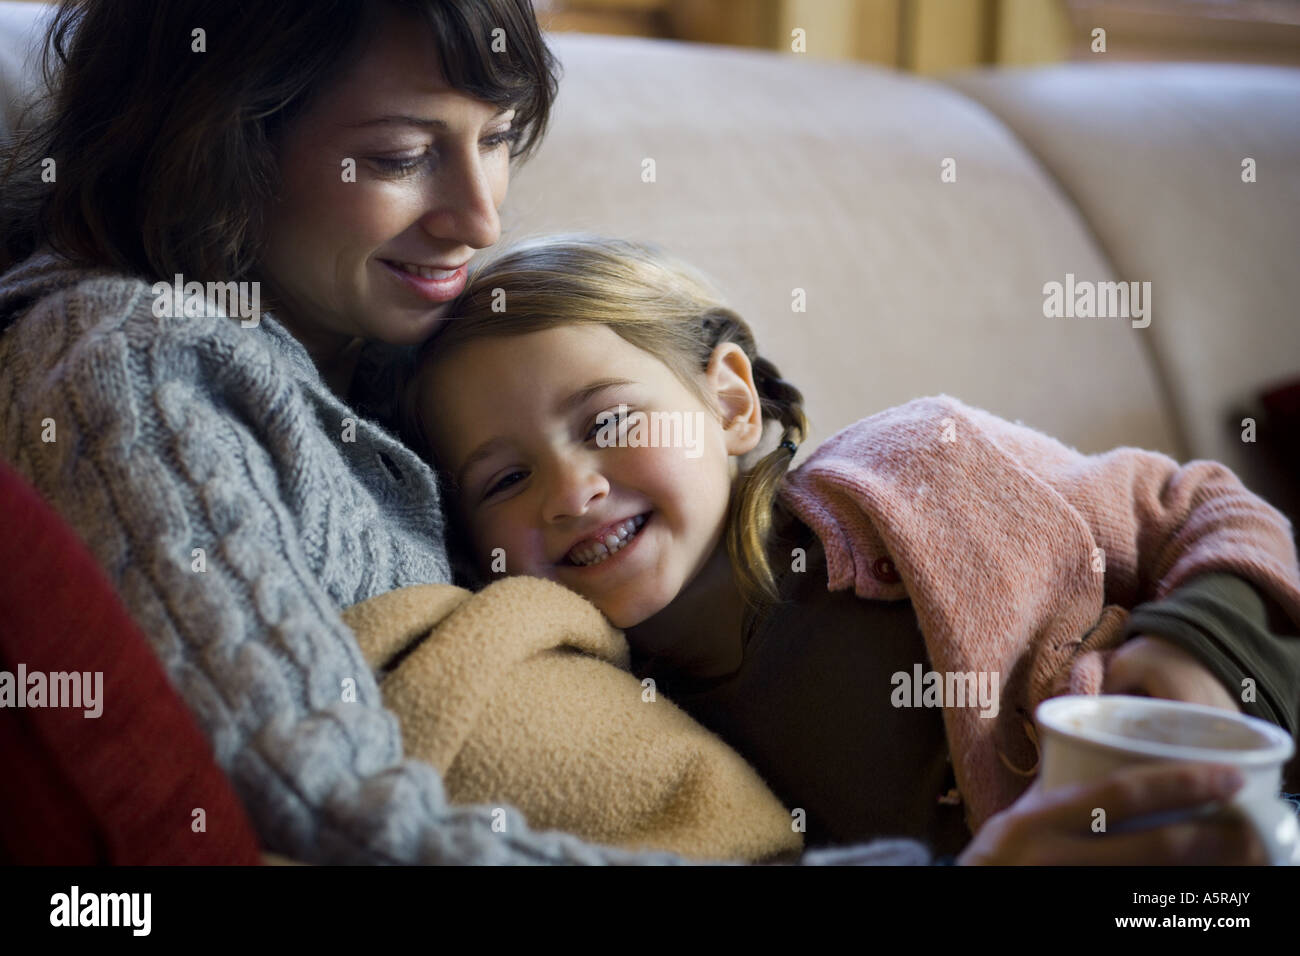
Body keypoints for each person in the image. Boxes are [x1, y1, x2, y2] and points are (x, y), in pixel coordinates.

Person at [0, 0, 1280, 867]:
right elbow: (315, 797)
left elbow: (1188, 511)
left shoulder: (374, 347)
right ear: (221, 145)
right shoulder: (139, 366)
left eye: (497, 144)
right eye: (400, 154)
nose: (477, 213)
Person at [400, 234, 1300, 864]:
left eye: (607, 420)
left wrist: (1198, 649)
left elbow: (1205, 507)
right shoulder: (612, 718)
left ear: (731, 404)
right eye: (504, 481)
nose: (571, 490)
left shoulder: (919, 466)